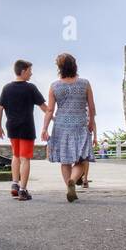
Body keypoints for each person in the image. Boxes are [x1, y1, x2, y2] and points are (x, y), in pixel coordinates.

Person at [40, 52, 96, 203]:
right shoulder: (85, 83)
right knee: (82, 159)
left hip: (61, 126)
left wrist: (44, 128)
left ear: (59, 68)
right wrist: (91, 122)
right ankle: (73, 180)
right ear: (74, 65)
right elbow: (91, 106)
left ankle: (69, 186)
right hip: (80, 125)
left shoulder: (54, 86)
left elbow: (50, 110)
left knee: (65, 161)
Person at [0, 59, 47, 201]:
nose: (31, 74)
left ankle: (14, 184)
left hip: (11, 126)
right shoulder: (30, 88)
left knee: (16, 156)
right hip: (26, 127)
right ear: (23, 71)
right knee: (25, 159)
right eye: (30, 71)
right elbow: (43, 106)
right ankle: (23, 190)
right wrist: (53, 117)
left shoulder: (7, 88)